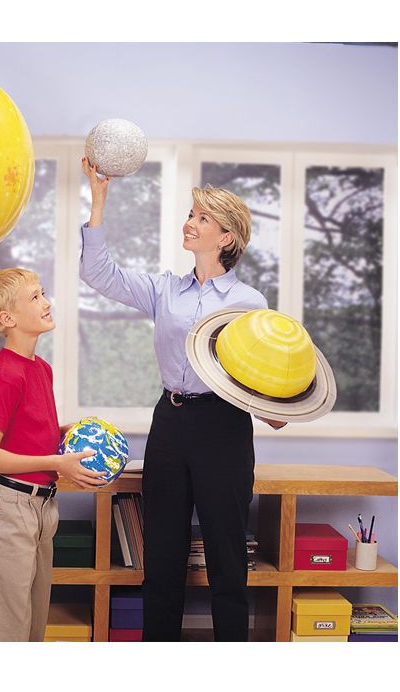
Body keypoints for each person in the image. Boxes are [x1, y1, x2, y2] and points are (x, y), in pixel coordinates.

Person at [79, 157, 286, 642]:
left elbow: (262, 372)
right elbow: (97, 272)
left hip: (224, 428)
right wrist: (99, 200)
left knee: (227, 558)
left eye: (202, 218)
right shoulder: (164, 290)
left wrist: (274, 408)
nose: (189, 223)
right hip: (170, 424)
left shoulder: (250, 303)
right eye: (191, 215)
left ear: (226, 237)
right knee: (163, 556)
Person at [0, 267, 107, 642]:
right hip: (9, 508)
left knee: (32, 625)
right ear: (8, 318)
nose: (46, 302)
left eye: (42, 293)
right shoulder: (5, 375)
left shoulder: (40, 369)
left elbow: (27, 432)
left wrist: (65, 433)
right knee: (4, 628)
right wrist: (56, 462)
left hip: (42, 506)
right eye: (34, 297)